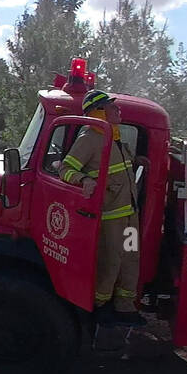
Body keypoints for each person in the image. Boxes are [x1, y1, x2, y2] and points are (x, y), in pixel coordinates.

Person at [58, 87, 143, 324]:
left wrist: (138, 161)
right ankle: (97, 307)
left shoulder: (112, 136)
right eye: (111, 106)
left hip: (129, 215)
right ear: (98, 112)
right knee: (111, 261)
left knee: (130, 258)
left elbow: (116, 166)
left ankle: (125, 305)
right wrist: (84, 180)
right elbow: (66, 169)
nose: (117, 109)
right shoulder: (89, 138)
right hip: (111, 216)